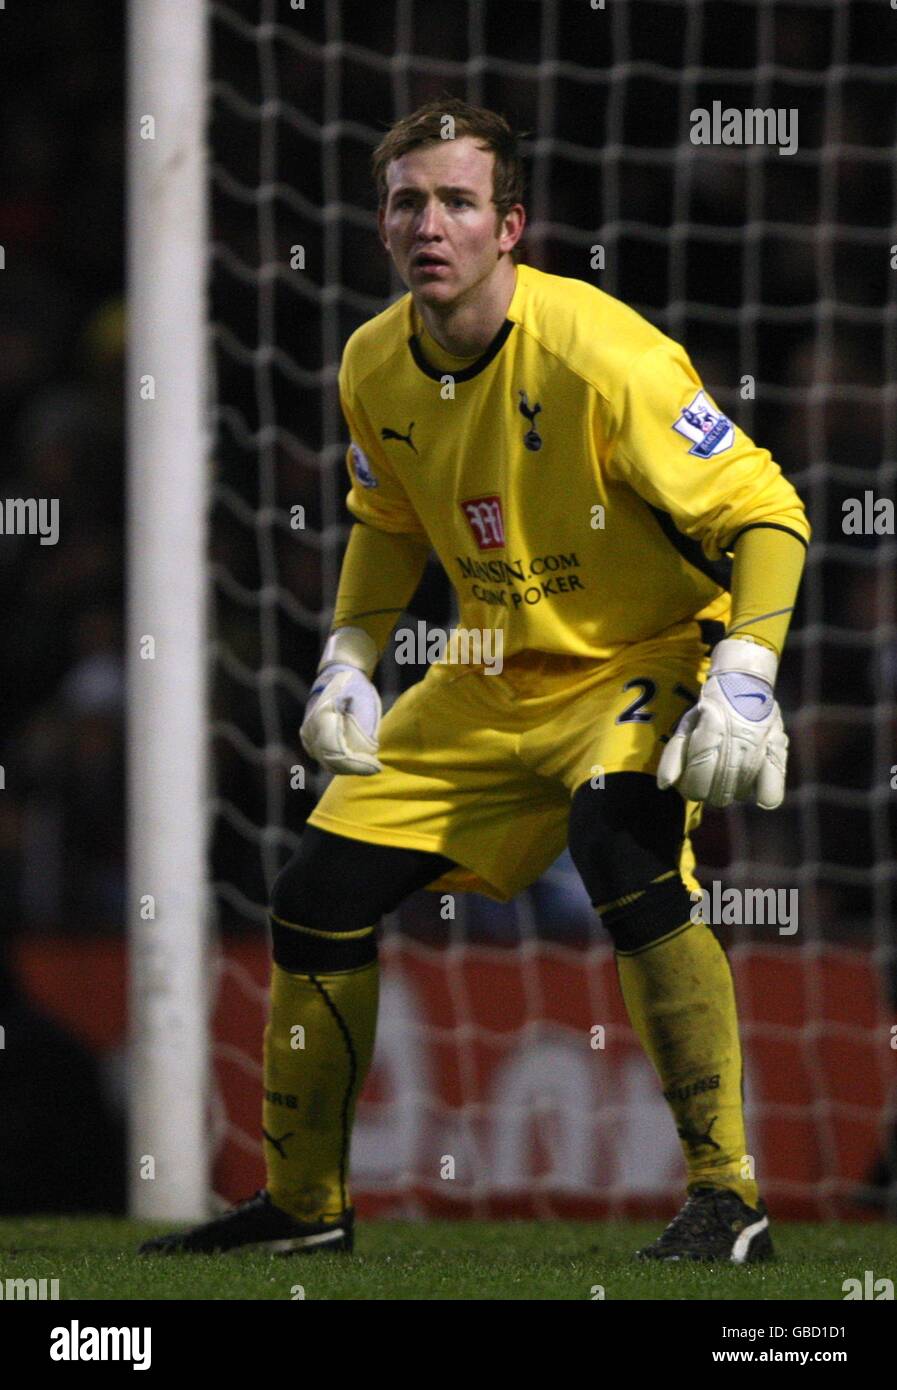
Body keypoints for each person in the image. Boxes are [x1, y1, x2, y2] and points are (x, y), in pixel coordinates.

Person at [141, 98, 809, 1263]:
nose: (430, 224)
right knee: (313, 894)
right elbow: (387, 519)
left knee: (621, 840)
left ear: (511, 227)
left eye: (458, 201)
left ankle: (725, 1193)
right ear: (381, 223)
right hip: (487, 671)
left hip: (637, 660)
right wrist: (348, 659)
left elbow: (769, 511)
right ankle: (305, 1211)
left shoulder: (605, 353)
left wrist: (745, 670)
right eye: (408, 201)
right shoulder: (371, 366)